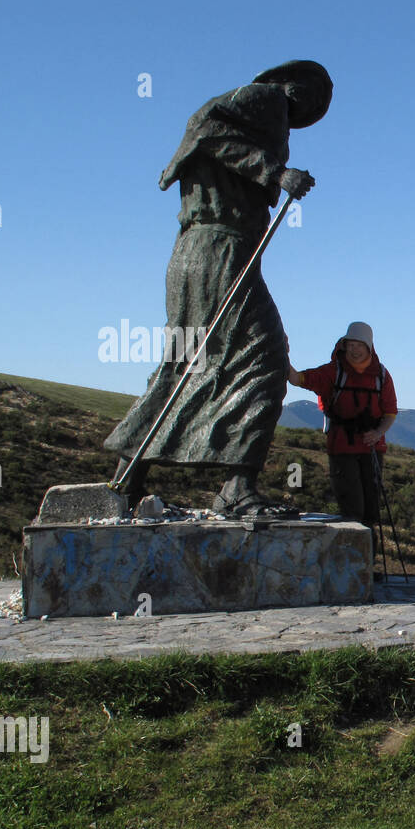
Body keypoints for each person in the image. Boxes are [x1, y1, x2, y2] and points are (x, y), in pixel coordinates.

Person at [105, 60, 333, 515]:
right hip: (219, 249)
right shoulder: (265, 98)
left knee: (187, 357)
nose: (309, 103)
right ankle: (235, 488)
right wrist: (273, 171)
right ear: (290, 83)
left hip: (201, 251)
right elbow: (203, 127)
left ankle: (128, 479)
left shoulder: (265, 113)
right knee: (264, 357)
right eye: (310, 92)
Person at [287, 321, 397, 567]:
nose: (354, 350)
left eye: (359, 345)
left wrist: (377, 433)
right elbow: (297, 379)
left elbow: (390, 412)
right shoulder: (332, 372)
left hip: (372, 450)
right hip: (342, 449)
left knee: (370, 512)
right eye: (350, 344)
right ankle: (352, 569)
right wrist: (282, 354)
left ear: (369, 347)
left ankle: (366, 568)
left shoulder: (381, 375)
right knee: (352, 510)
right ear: (344, 345)